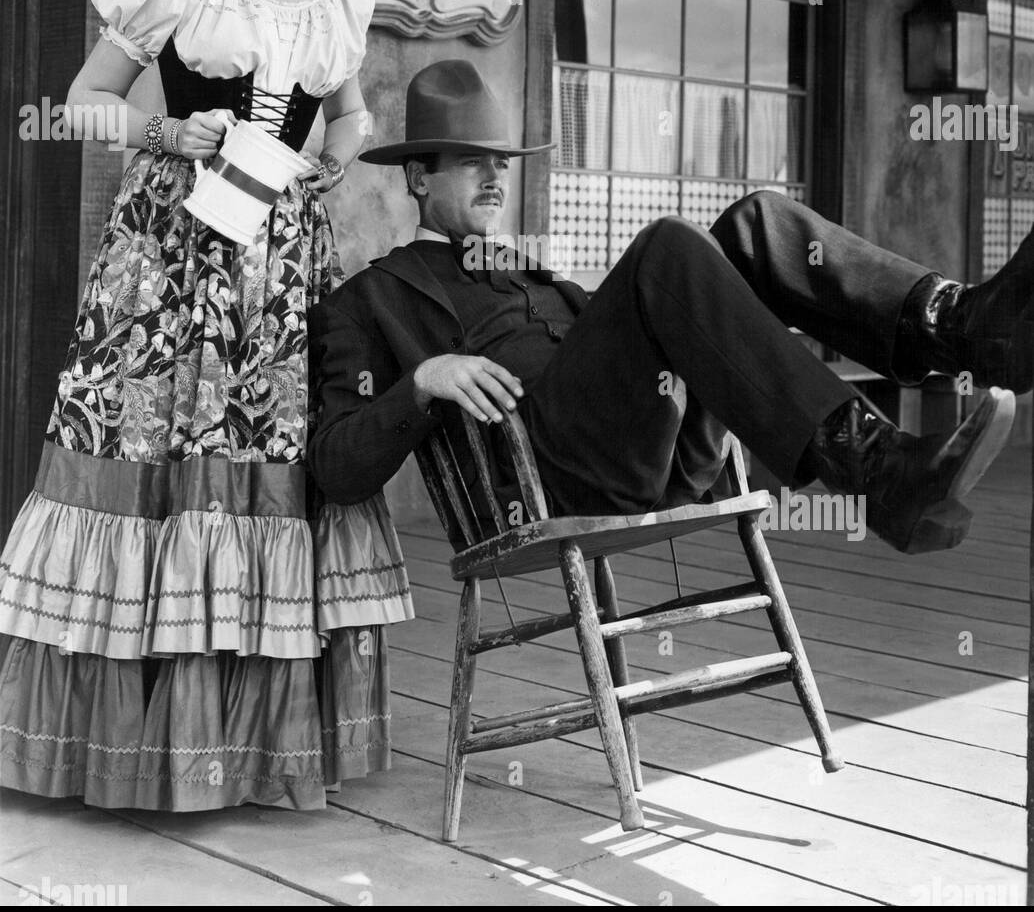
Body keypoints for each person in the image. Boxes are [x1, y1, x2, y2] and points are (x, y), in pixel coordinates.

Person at [0, 0, 413, 811]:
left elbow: (354, 116)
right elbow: (80, 101)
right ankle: (126, 748)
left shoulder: (337, 4)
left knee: (259, 473)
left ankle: (249, 747)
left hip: (277, 270)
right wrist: (160, 137)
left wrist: (331, 164)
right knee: (155, 465)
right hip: (167, 260)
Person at [309, 59, 1024, 558]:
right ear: (416, 177)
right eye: (471, 160)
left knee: (756, 224)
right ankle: (880, 472)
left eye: (501, 161)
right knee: (666, 247)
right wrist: (424, 380)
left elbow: (618, 342)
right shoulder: (372, 300)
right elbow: (337, 470)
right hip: (559, 472)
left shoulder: (522, 268)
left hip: (660, 443)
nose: (496, 175)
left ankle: (960, 328)